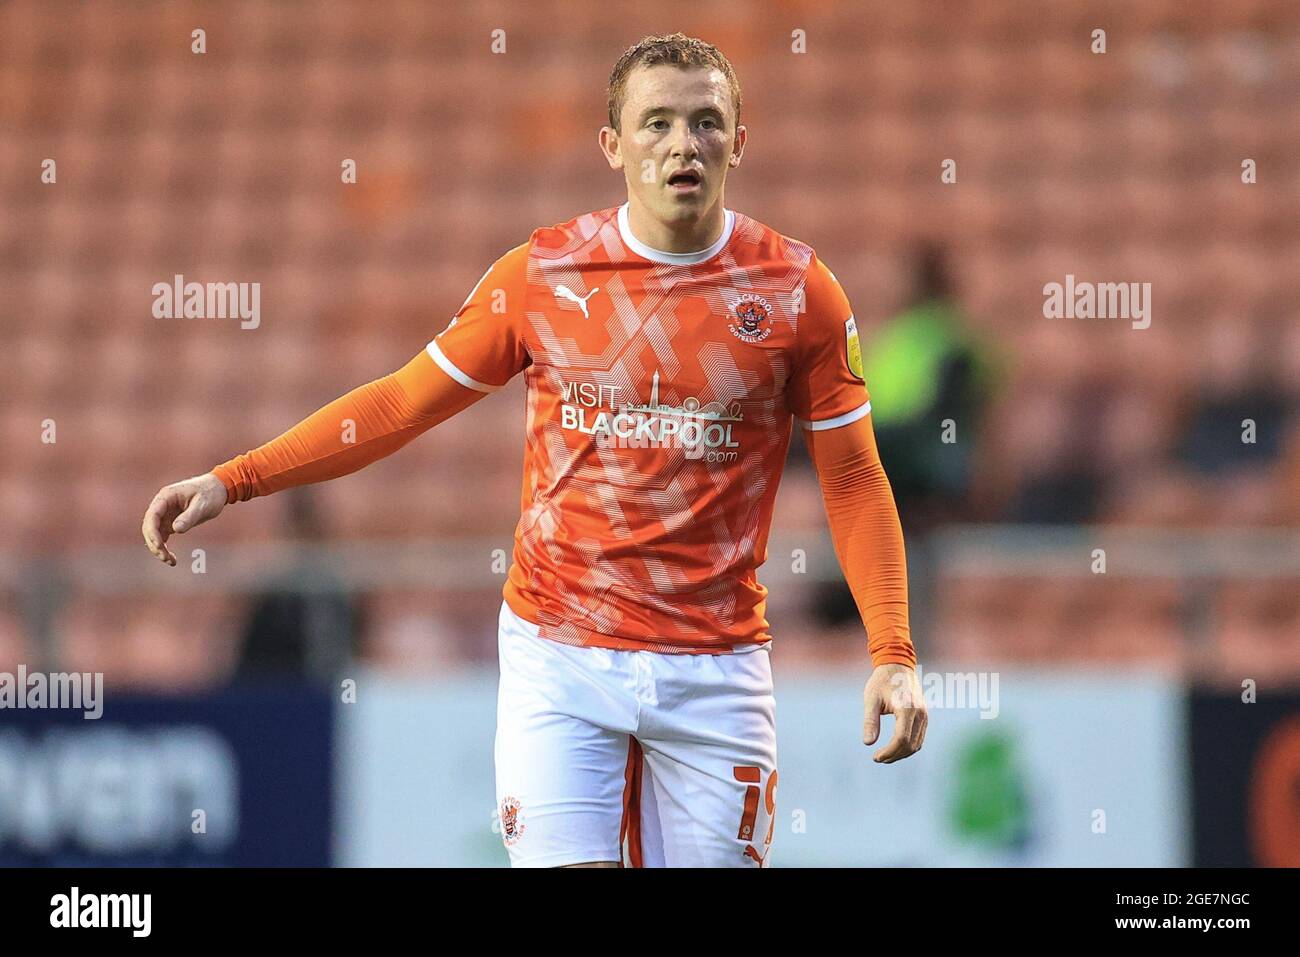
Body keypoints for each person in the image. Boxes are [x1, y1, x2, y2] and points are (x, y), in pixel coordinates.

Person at [141, 33, 925, 868]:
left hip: (716, 665)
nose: (681, 145)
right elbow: (403, 402)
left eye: (705, 122)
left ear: (740, 139)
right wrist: (237, 479)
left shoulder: (798, 292)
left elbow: (853, 475)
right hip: (560, 651)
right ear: (613, 147)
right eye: (655, 124)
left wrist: (894, 652)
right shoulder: (544, 275)